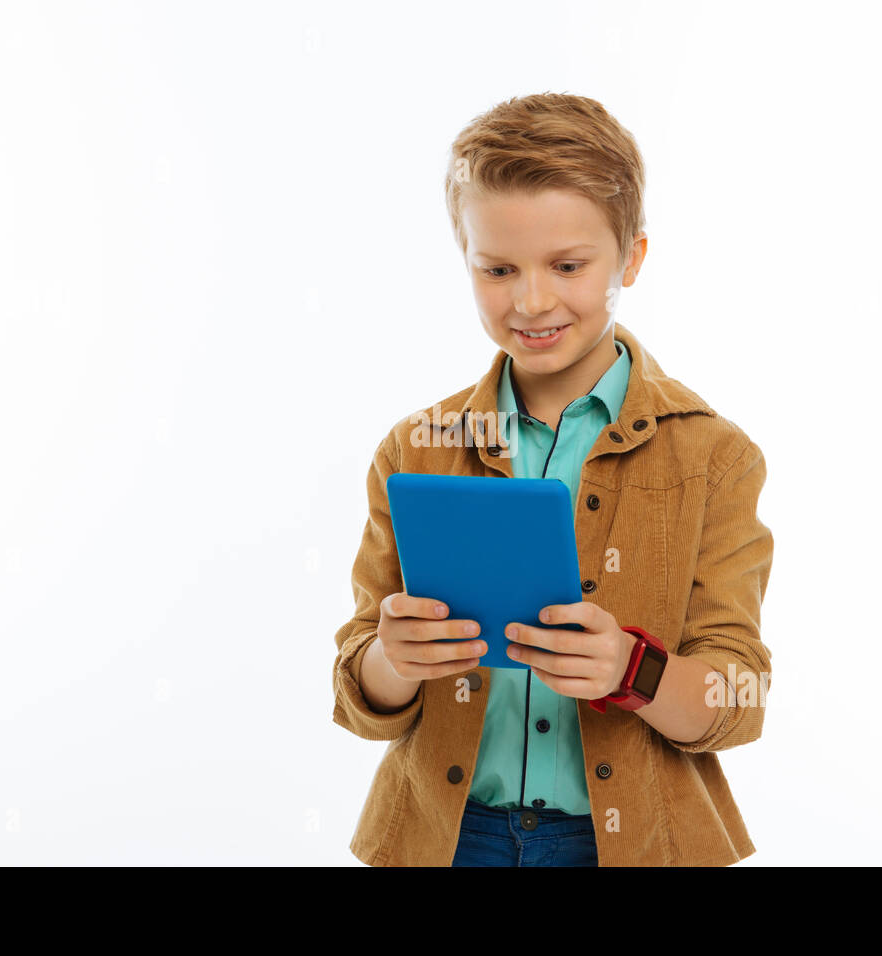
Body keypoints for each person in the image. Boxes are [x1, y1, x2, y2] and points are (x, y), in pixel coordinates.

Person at [331, 92, 774, 866]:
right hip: (445, 835)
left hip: (632, 844)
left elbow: (741, 697)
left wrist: (630, 672)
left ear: (631, 257)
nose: (531, 300)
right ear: (464, 256)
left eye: (568, 266)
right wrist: (393, 660)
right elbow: (359, 693)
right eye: (497, 268)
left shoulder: (713, 457)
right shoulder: (415, 448)